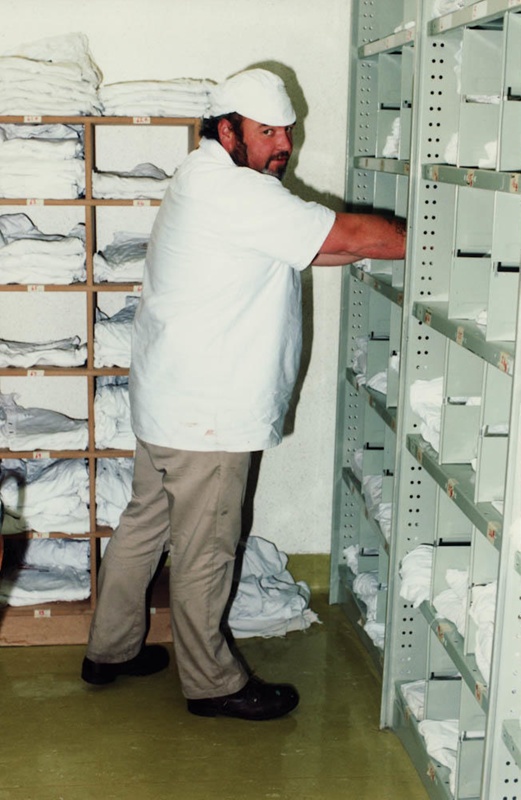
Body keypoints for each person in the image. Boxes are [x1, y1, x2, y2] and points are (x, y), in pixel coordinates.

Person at [81, 68, 406, 721]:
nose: (282, 143)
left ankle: (109, 651)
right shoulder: (238, 192)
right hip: (208, 418)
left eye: (287, 130)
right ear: (226, 130)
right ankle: (212, 684)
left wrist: (384, 247)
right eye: (266, 132)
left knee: (145, 524)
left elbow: (318, 249)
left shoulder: (205, 180)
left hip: (169, 402)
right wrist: (433, 241)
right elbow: (346, 237)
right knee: (207, 550)